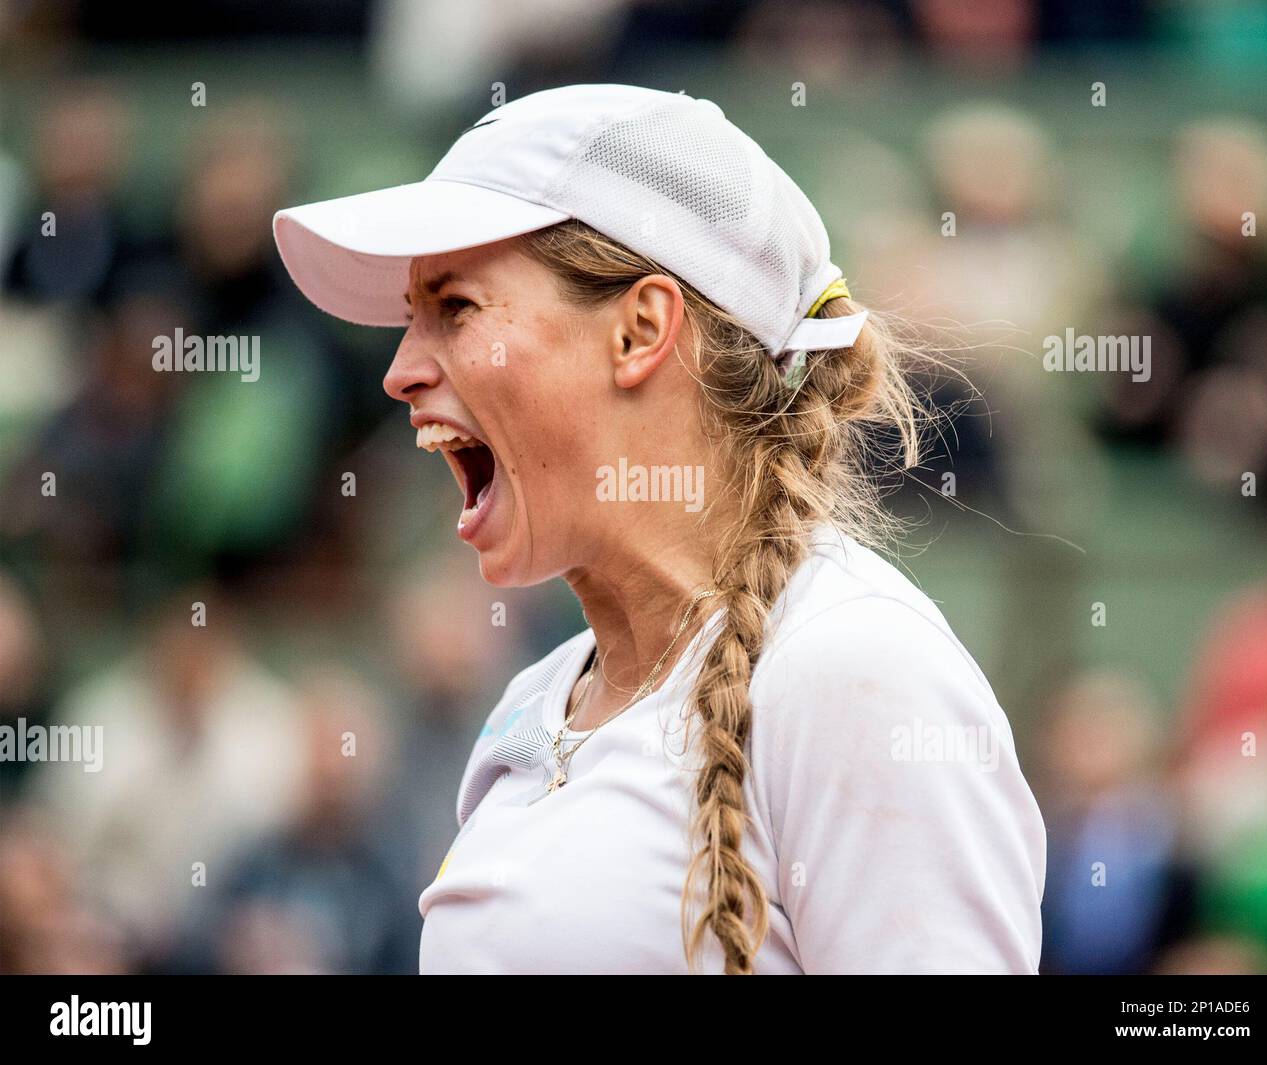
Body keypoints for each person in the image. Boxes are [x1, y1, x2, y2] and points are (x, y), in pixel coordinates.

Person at [272, 83, 1046, 974]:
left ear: (641, 329)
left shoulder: (858, 667)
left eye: (457, 309)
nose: (402, 372)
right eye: (414, 319)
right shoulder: (532, 699)